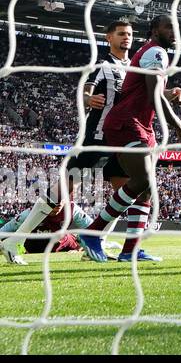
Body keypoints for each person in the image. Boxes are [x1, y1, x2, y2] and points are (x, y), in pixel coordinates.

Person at [1, 19, 133, 263]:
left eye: (129, 34)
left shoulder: (134, 68)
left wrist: (172, 92)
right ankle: (13, 241)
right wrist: (88, 99)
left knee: (126, 192)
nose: (127, 38)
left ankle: (95, 246)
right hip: (95, 137)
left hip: (119, 141)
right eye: (121, 34)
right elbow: (86, 89)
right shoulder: (102, 64)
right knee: (61, 193)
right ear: (109, 38)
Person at [78, 15, 181, 263]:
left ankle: (130, 250)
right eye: (168, 27)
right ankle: (92, 232)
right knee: (142, 179)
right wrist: (179, 124)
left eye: (177, 28)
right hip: (126, 123)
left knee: (147, 188)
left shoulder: (154, 53)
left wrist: (171, 93)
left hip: (142, 125)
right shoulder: (155, 52)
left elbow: (153, 92)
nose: (174, 32)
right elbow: (154, 96)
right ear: (154, 30)